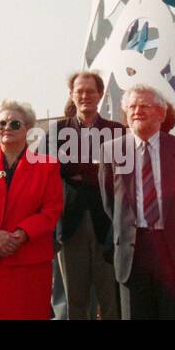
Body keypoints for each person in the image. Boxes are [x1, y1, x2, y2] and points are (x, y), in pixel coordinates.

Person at [102, 84, 175, 320]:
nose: (136, 111)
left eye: (144, 106)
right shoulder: (111, 151)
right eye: (131, 106)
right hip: (133, 251)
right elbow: (109, 202)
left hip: (173, 250)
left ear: (160, 113)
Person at [0, 101, 63, 319]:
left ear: (28, 128)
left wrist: (21, 234)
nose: (7, 127)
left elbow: (51, 210)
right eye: (1, 123)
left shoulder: (48, 165)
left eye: (14, 123)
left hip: (28, 263)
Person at [53, 70, 122, 320]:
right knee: (74, 302)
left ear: (100, 94)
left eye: (90, 91)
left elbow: (119, 177)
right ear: (71, 95)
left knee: (111, 300)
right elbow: (53, 172)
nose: (85, 96)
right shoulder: (57, 131)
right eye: (79, 91)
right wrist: (95, 167)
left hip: (108, 225)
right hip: (71, 226)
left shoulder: (118, 131)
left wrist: (79, 169)